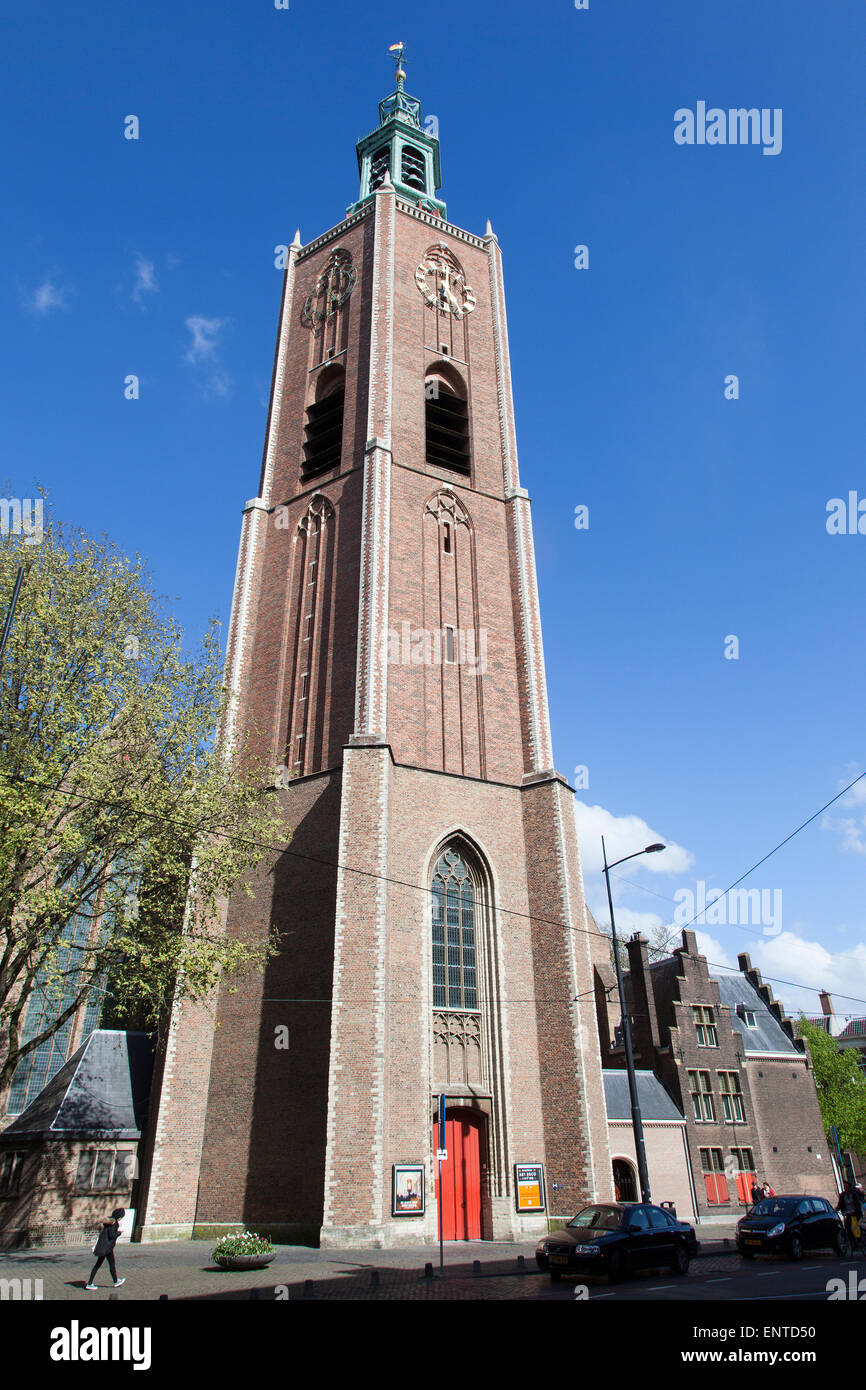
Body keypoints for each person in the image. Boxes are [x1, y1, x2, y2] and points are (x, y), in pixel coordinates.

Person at [85, 1208, 126, 1290]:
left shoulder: (109, 1221)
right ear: (120, 1216)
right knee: (109, 1264)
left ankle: (115, 1281)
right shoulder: (114, 1224)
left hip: (104, 1246)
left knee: (102, 1264)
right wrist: (119, 1233)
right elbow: (112, 1235)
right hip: (107, 1248)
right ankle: (90, 1284)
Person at [837, 1182, 864, 1252]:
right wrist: (836, 1209)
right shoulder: (843, 1195)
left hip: (855, 1213)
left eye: (846, 1187)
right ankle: (853, 1243)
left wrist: (855, 1210)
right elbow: (840, 1204)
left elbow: (857, 1203)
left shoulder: (854, 1194)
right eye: (844, 1187)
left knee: (854, 1227)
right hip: (848, 1213)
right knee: (848, 1228)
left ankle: (859, 1240)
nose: (845, 1188)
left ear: (849, 1187)